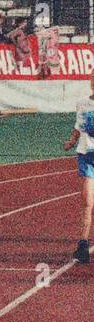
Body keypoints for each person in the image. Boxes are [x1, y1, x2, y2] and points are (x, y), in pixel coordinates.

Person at [60, 75, 94, 264]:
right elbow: (79, 127)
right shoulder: (83, 104)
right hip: (87, 157)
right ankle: (83, 245)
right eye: (93, 79)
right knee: (88, 202)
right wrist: (71, 141)